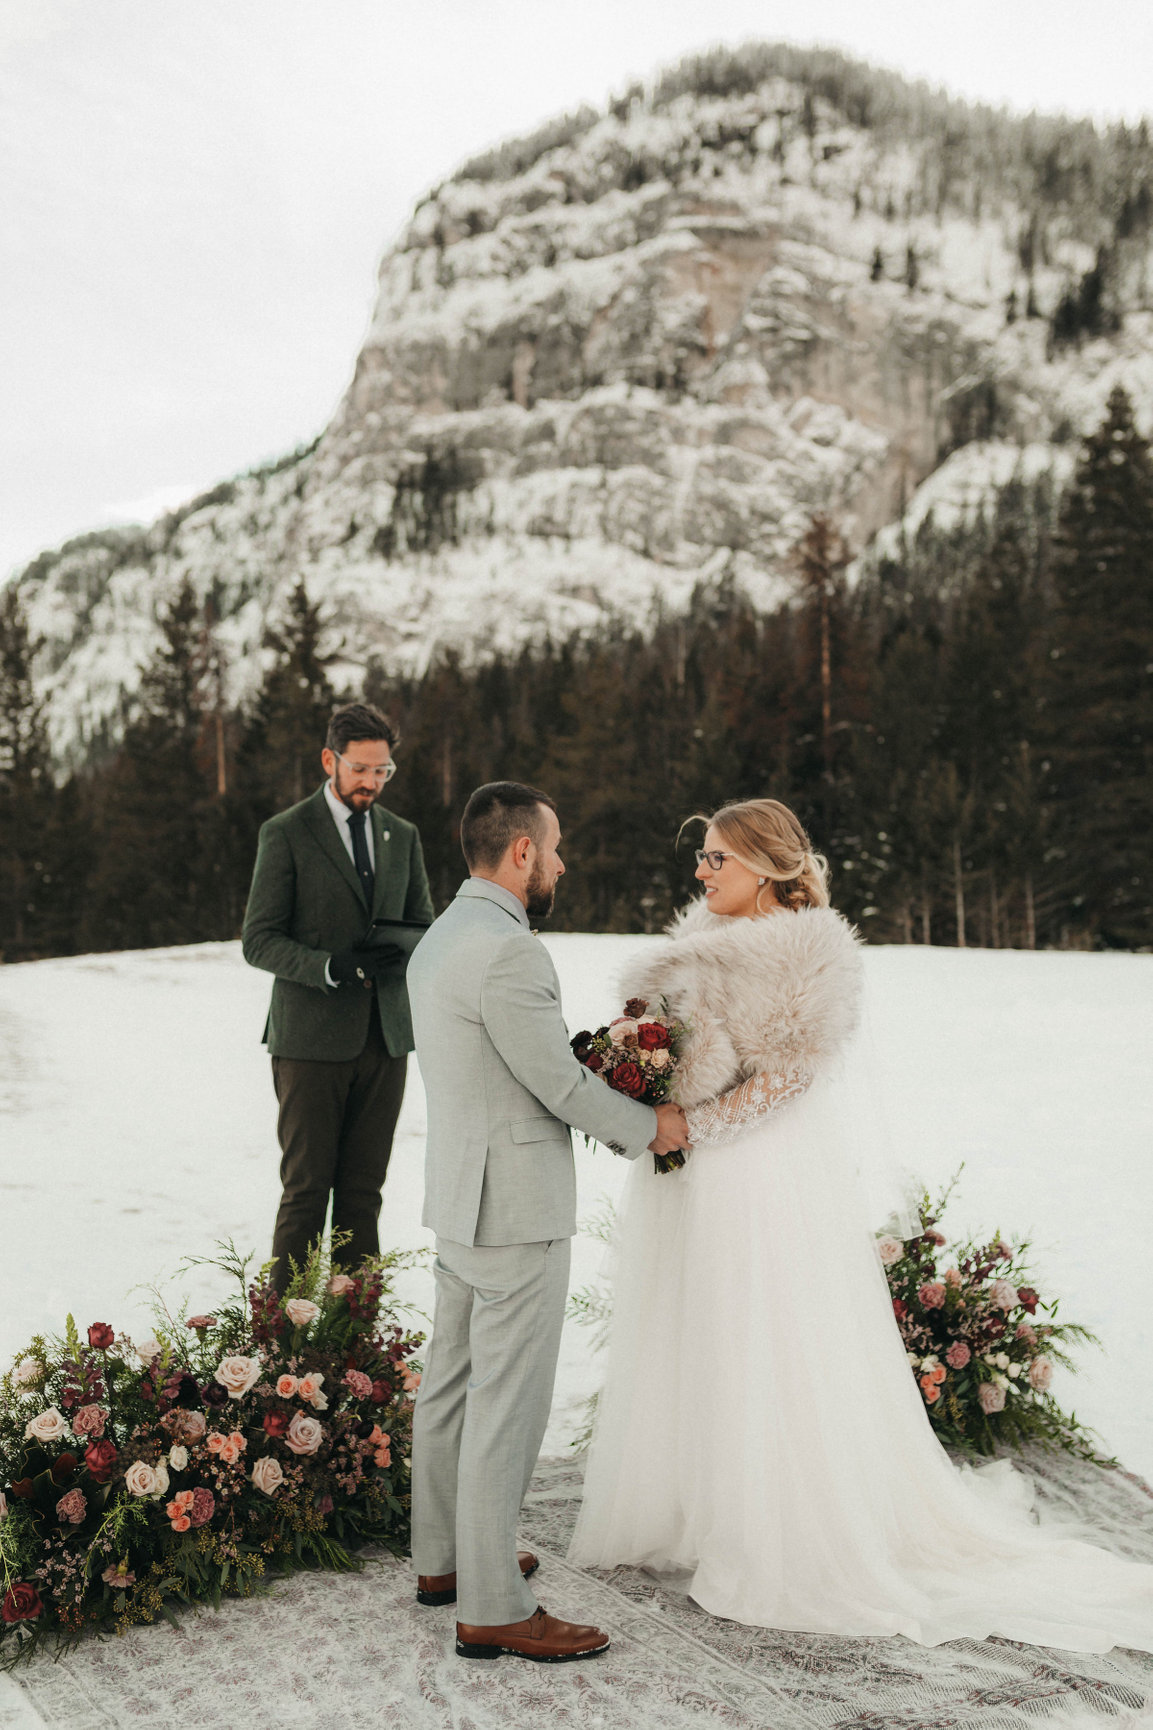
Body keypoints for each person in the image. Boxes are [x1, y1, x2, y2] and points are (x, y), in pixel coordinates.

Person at [569, 796, 1153, 1653]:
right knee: (692, 1328)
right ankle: (693, 1504)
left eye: (716, 860)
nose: (700, 872)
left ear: (766, 869)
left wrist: (691, 1129)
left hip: (756, 1172)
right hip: (689, 1172)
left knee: (759, 1334)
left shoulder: (805, 952)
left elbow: (785, 1080)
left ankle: (775, 1524)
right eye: (701, 858)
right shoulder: (693, 938)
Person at [407, 781, 689, 1664]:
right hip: (514, 1208)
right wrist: (653, 1127)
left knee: (450, 1385)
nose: (562, 863)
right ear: (520, 852)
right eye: (555, 848)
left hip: (460, 1196)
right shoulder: (508, 950)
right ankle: (490, 1602)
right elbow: (556, 1084)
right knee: (507, 1402)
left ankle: (446, 1557)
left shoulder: (440, 938)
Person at [241, 702, 433, 1292]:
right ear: (330, 760)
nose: (372, 783)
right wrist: (331, 967)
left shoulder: (402, 836)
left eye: (383, 771)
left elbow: (423, 923)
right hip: (308, 1043)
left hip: (385, 1040)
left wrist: (414, 947)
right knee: (305, 1194)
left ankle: (358, 1355)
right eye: (360, 769)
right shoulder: (287, 833)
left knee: (363, 1196)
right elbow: (259, 940)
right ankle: (282, 1352)